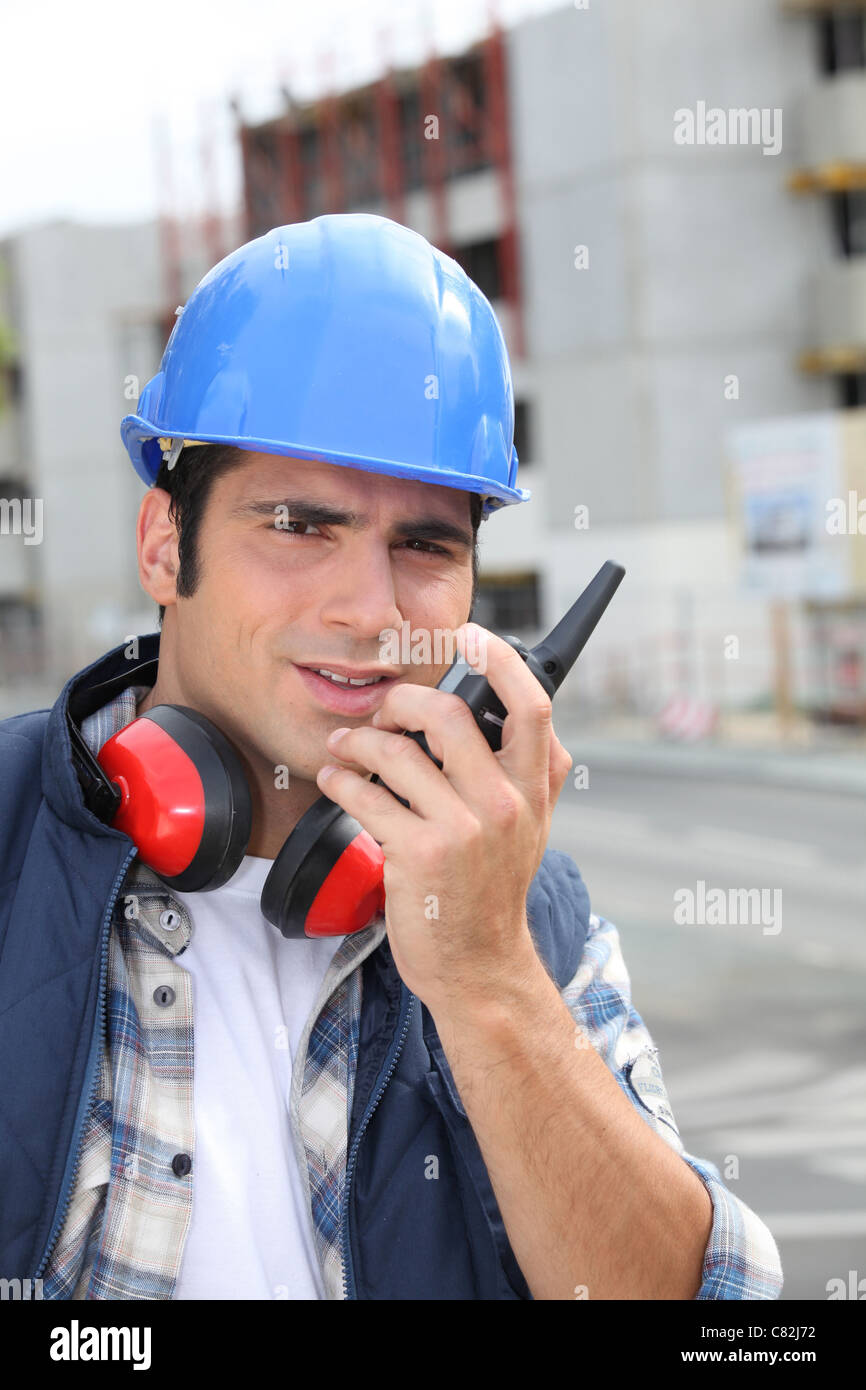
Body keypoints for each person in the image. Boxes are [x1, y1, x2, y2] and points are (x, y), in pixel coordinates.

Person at [0, 215, 782, 1300]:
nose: (371, 610)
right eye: (297, 525)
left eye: (423, 545)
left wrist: (487, 978)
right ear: (164, 544)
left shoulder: (522, 911)